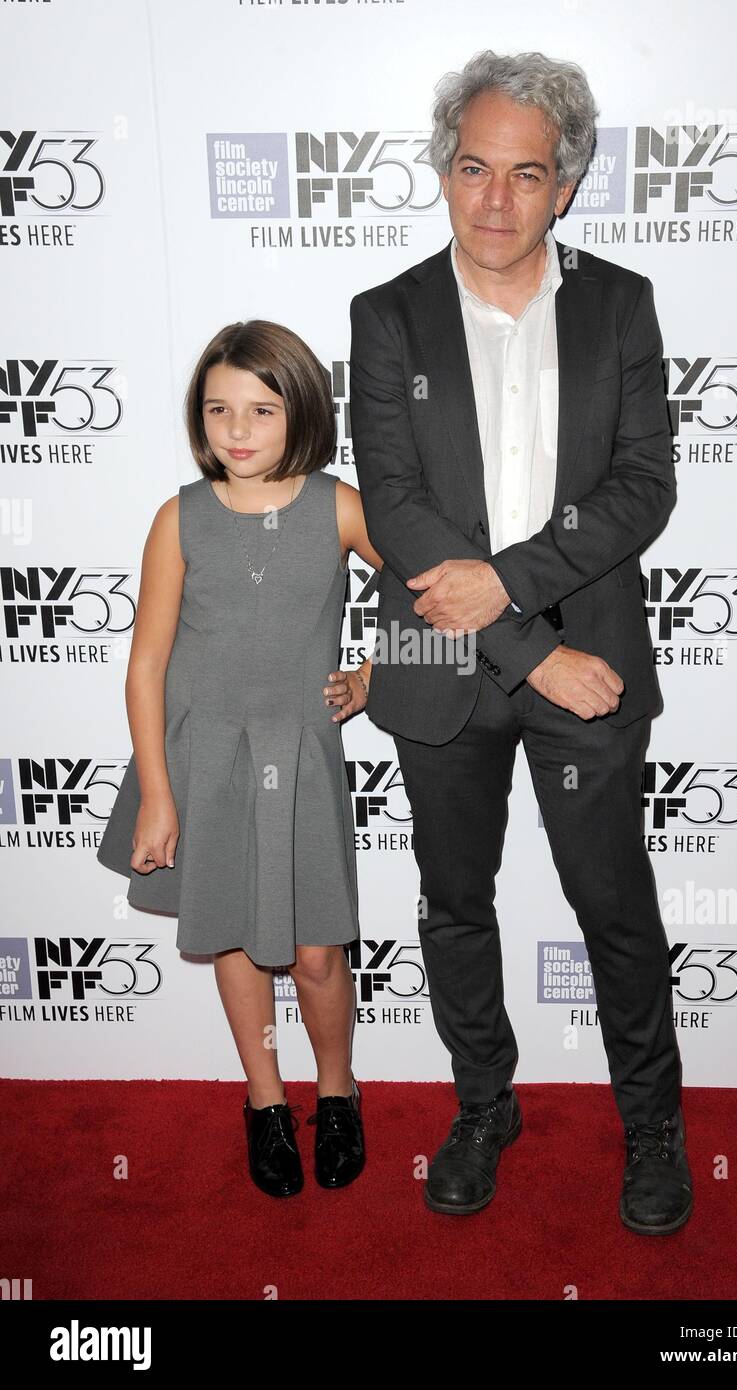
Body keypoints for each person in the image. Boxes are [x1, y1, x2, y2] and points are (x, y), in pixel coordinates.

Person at [348, 50, 692, 1234]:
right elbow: (393, 506)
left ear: (564, 186)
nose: (493, 200)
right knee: (453, 902)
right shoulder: (385, 314)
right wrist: (526, 645)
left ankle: (650, 1125)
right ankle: (482, 1104)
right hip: (446, 663)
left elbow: (644, 488)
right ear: (444, 171)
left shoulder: (619, 301)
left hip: (583, 658)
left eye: (525, 174)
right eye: (472, 168)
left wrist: (511, 601)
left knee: (614, 906)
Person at [96, 319, 383, 1199]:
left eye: (260, 409)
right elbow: (146, 661)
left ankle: (337, 1091)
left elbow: (433, 600)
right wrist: (155, 792)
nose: (238, 429)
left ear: (300, 410)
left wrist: (376, 675)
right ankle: (264, 1101)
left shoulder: (340, 506)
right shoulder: (176, 517)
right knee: (229, 934)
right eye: (218, 409)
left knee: (315, 954)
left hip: (298, 755)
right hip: (202, 755)